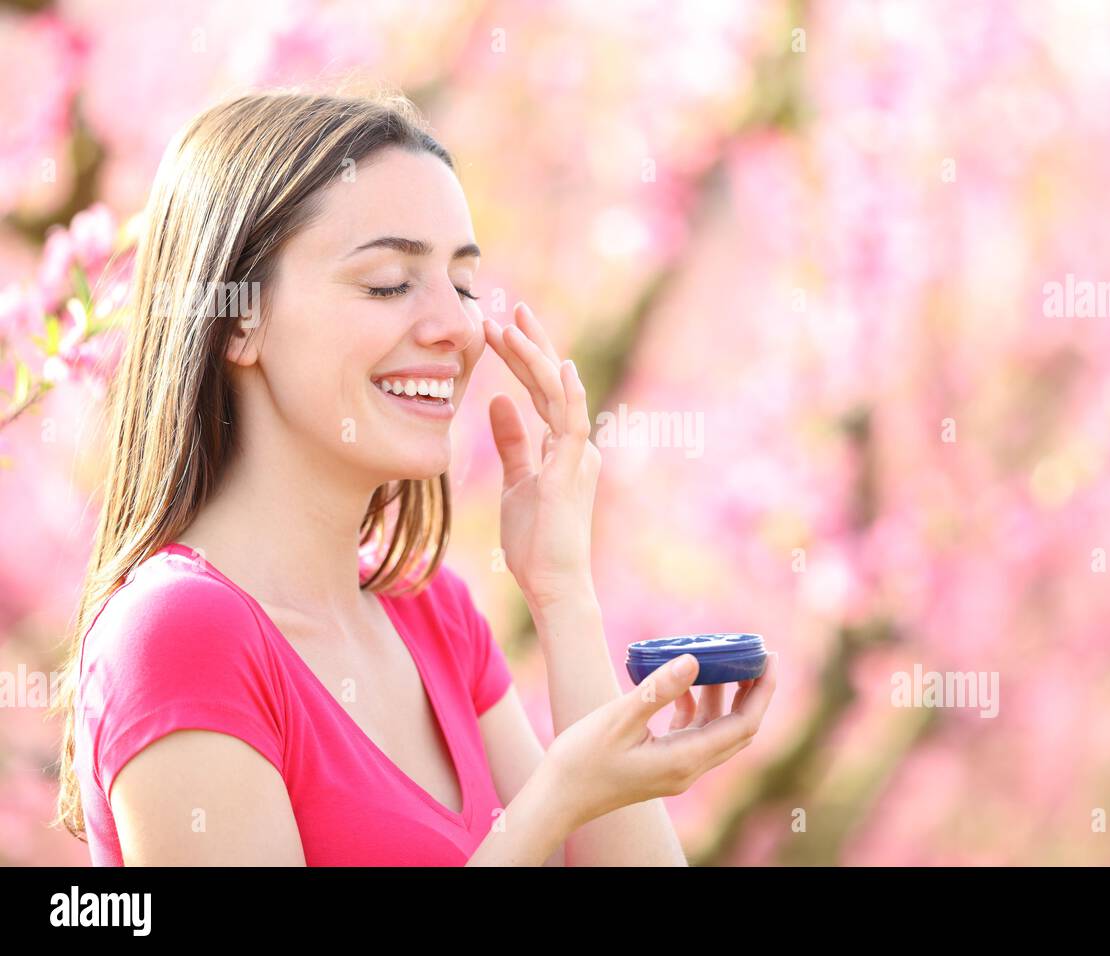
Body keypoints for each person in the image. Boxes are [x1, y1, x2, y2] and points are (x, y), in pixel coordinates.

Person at [47, 88, 777, 866]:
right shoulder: (179, 636)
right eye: (390, 283)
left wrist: (563, 593)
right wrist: (552, 804)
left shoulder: (436, 618)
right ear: (237, 320)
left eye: (463, 286)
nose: (457, 328)